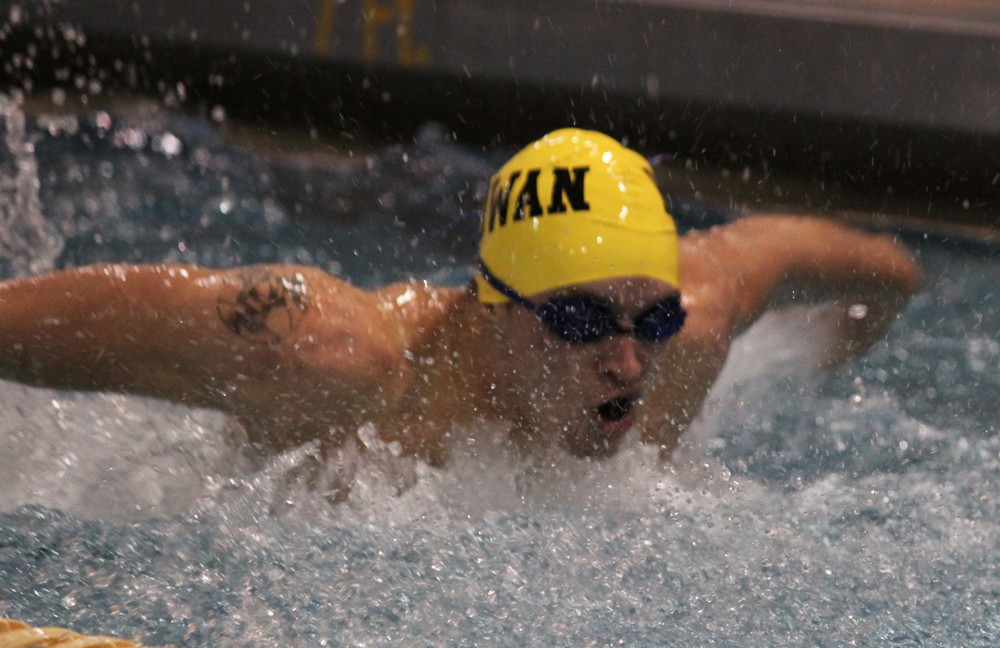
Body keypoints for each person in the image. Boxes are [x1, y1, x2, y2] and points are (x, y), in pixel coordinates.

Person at [0, 128, 921, 498]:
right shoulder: (342, 359)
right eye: (577, 324)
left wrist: (881, 303)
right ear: (493, 304)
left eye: (653, 321)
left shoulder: (695, 320)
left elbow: (811, 253)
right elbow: (118, 318)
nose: (629, 366)